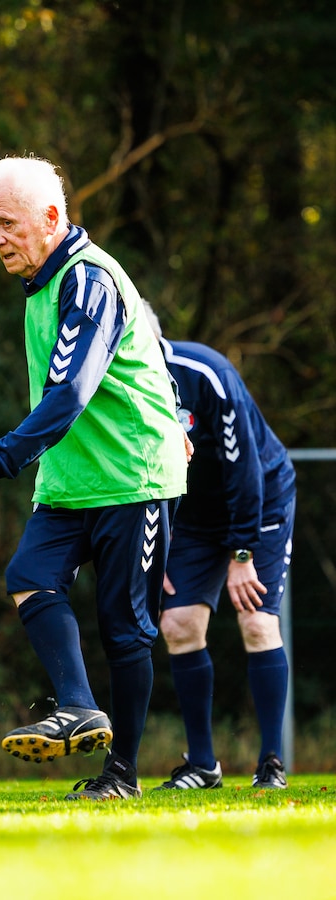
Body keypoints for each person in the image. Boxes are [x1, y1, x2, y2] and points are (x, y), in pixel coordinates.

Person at [0, 155, 187, 800]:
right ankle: (79, 707)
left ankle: (121, 775)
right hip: (71, 477)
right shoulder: (45, 282)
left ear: (51, 218)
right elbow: (147, 348)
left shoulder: (88, 279)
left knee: (124, 627)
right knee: (29, 576)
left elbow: (69, 392)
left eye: (6, 223)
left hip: (133, 476)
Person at [143, 301, 296, 790]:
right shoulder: (117, 386)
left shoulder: (206, 372)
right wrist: (160, 541)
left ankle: (271, 762)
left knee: (256, 622)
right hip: (192, 517)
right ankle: (203, 765)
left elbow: (244, 466)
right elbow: (140, 475)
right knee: (178, 623)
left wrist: (242, 554)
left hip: (260, 500)